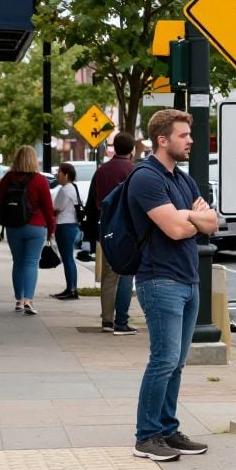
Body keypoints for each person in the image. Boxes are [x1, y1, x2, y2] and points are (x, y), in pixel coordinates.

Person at [129, 110, 217, 461]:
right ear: (162, 140)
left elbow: (212, 223)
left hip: (188, 279)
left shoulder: (183, 179)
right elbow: (177, 229)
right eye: (183, 135)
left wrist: (190, 216)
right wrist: (191, 217)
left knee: (177, 362)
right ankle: (146, 437)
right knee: (163, 360)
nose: (190, 141)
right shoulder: (146, 178)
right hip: (160, 279)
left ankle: (167, 429)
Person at [0, 145, 55, 314]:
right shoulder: (40, 180)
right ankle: (28, 299)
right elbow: (48, 208)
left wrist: (2, 221)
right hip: (36, 227)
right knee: (31, 263)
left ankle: (19, 300)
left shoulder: (7, 179)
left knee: (18, 262)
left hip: (13, 227)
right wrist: (51, 230)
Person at [88, 132, 137, 334]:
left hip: (107, 228)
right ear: (132, 149)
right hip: (127, 230)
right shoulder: (134, 171)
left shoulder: (102, 171)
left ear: (114, 148)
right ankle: (121, 322)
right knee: (125, 276)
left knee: (109, 276)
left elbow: (93, 201)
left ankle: (107, 320)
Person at [51, 162, 81, 300]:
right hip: (71, 225)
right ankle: (71, 288)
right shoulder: (73, 187)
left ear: (66, 175)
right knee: (69, 258)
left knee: (68, 258)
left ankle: (72, 289)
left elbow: (57, 207)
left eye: (59, 172)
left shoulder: (65, 189)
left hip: (64, 225)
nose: (57, 175)